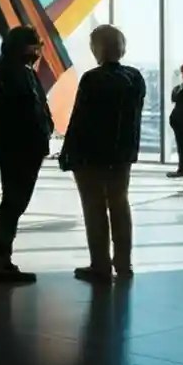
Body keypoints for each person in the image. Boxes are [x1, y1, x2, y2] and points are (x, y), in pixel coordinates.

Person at [58, 25, 145, 283]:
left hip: (91, 155)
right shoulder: (135, 78)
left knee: (94, 207)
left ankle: (100, 264)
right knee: (120, 204)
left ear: (97, 48)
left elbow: (80, 119)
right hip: (122, 154)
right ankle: (124, 263)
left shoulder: (92, 79)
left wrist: (67, 154)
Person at [0, 25, 53, 283]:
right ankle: (0, 259)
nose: (36, 52)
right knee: (13, 203)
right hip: (20, 149)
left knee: (13, 202)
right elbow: (27, 113)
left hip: (17, 148)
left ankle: (2, 259)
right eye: (33, 47)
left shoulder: (9, 71)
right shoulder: (14, 74)